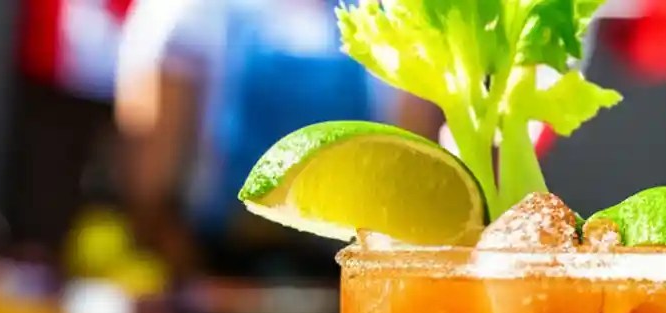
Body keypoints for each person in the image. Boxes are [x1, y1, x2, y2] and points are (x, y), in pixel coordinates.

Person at [113, 0, 442, 278]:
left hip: (349, 281)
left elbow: (414, 176)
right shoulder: (188, 11)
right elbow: (150, 186)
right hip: (215, 277)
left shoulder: (393, 14)